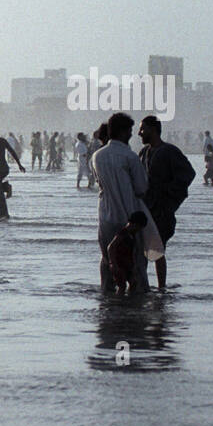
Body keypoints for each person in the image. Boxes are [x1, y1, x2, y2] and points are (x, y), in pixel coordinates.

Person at [90, 112, 152, 294]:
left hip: (106, 217)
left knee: (107, 258)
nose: (132, 135)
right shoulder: (130, 157)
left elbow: (99, 184)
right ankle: (137, 299)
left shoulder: (97, 157)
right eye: (130, 131)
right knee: (136, 262)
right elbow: (141, 188)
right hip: (129, 218)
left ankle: (107, 295)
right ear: (124, 132)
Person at [138, 115, 194, 290]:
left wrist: (169, 197)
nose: (140, 133)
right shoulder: (143, 153)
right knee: (141, 250)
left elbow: (188, 174)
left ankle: (161, 287)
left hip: (162, 211)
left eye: (143, 129)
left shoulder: (169, 151)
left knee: (157, 249)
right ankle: (143, 285)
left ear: (153, 130)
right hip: (145, 210)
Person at [105, 211, 148, 296]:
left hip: (128, 264)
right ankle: (118, 302)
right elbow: (111, 247)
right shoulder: (123, 233)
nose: (139, 230)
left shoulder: (132, 234)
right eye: (139, 227)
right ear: (134, 224)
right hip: (119, 264)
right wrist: (113, 263)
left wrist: (134, 265)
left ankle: (129, 300)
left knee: (133, 282)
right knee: (122, 286)